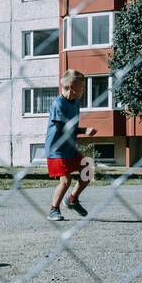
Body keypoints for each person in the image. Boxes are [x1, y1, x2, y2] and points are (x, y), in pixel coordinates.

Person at [46, 70, 97, 221]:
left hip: (69, 148)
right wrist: (84, 130)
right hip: (57, 150)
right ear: (71, 86)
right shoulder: (58, 104)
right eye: (82, 86)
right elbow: (62, 127)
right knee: (66, 181)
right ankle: (53, 210)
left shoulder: (75, 103)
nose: (84, 89)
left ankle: (72, 200)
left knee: (87, 172)